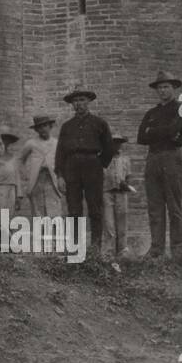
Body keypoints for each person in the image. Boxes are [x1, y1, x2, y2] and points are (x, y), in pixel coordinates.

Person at [136, 69, 182, 258]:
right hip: (153, 158)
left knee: (174, 206)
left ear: (173, 88)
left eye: (166, 87)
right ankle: (157, 249)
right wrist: (163, 131)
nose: (163, 91)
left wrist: (154, 131)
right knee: (155, 206)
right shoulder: (151, 112)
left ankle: (177, 250)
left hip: (171, 158)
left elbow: (174, 132)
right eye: (159, 88)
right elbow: (141, 137)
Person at [54, 88, 114, 254]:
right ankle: (76, 247)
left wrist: (98, 164)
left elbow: (109, 148)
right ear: (72, 104)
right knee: (74, 207)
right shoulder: (67, 127)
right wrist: (60, 175)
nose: (79, 103)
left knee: (95, 207)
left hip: (92, 165)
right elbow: (60, 152)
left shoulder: (99, 123)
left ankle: (95, 248)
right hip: (71, 167)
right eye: (75, 101)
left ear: (88, 102)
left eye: (82, 100)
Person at [18, 114, 64, 227]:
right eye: (39, 127)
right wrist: (25, 175)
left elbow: (63, 162)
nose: (42, 129)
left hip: (52, 180)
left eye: (45, 126)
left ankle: (55, 242)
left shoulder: (57, 143)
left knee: (54, 212)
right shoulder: (31, 143)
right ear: (36, 129)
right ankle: (41, 242)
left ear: (50, 126)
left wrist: (61, 178)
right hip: (37, 181)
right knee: (39, 213)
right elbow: (20, 159)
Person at [103, 134, 135, 258]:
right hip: (107, 192)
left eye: (118, 143)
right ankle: (109, 252)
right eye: (113, 142)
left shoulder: (125, 159)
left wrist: (125, 184)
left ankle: (122, 250)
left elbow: (128, 176)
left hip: (121, 194)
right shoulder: (103, 158)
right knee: (109, 223)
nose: (116, 145)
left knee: (122, 222)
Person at [0, 126, 23, 213]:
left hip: (11, 188)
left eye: (7, 140)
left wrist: (19, 195)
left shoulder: (14, 158)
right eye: (3, 139)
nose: (5, 142)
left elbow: (17, 177)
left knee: (9, 215)